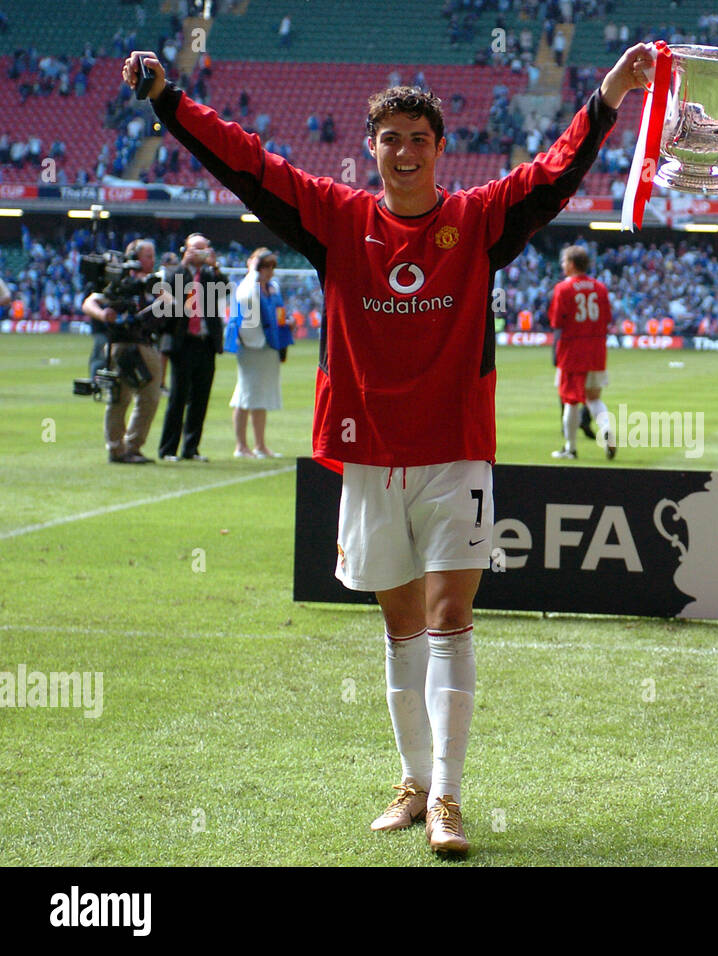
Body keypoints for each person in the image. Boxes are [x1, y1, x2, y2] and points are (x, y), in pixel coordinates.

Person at [127, 42, 652, 854]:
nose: (404, 153)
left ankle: (448, 796)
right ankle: (412, 782)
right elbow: (249, 164)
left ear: (441, 149)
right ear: (371, 149)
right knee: (401, 625)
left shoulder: (478, 220)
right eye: (389, 140)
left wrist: (611, 93)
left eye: (419, 139)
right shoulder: (336, 218)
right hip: (368, 452)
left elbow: (555, 172)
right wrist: (169, 100)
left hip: (455, 454)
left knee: (450, 616)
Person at [80, 238, 166, 464]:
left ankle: (133, 446)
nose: (152, 260)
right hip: (122, 344)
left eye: (153, 255)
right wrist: (104, 315)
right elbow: (89, 303)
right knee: (120, 397)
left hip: (147, 343)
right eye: (148, 256)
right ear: (134, 258)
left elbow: (172, 304)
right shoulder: (118, 282)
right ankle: (116, 448)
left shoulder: (153, 283)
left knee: (150, 397)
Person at [158, 232, 225, 462]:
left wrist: (215, 266)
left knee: (200, 398)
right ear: (185, 250)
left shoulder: (209, 274)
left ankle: (191, 448)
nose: (200, 253)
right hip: (183, 342)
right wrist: (184, 265)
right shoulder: (176, 273)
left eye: (204, 248)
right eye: (195, 249)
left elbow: (224, 289)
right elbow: (168, 293)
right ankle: (168, 449)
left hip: (206, 343)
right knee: (178, 397)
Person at [549, 244, 615, 460]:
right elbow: (606, 319)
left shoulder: (563, 289)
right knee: (594, 398)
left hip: (572, 351)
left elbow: (557, 322)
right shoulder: (600, 288)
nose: (562, 265)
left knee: (570, 400)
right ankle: (606, 430)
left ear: (571, 264)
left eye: (564, 261)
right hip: (596, 351)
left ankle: (571, 448)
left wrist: (555, 352)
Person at [228, 247, 290, 459]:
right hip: (251, 347)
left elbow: (278, 315)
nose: (269, 271)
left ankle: (260, 445)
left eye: (272, 266)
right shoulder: (247, 286)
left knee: (260, 396)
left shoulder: (272, 288)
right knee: (245, 395)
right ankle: (241, 446)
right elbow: (247, 297)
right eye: (264, 266)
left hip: (269, 347)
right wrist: (253, 270)